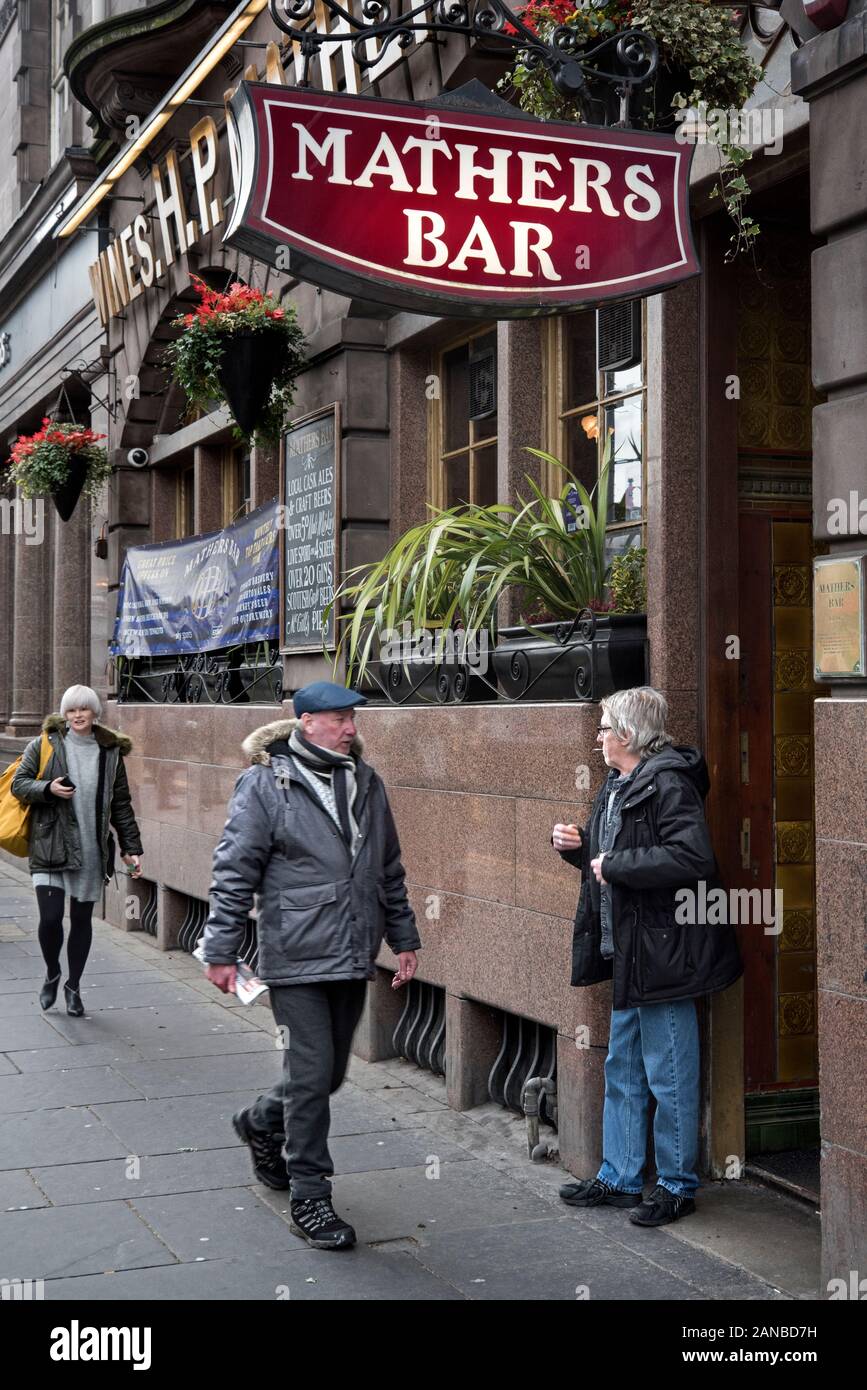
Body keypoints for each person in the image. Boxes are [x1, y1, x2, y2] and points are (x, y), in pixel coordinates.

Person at [202, 681, 421, 1251]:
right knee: (308, 1075)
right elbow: (234, 870)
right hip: (295, 952)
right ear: (306, 723)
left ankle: (259, 1122)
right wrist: (221, 949)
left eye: (352, 717)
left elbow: (388, 867)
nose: (351, 727)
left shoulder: (365, 781)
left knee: (327, 1076)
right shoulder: (265, 783)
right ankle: (311, 1196)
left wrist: (403, 936)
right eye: (339, 717)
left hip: (353, 950)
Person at [552, 686, 742, 1227]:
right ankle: (619, 1176)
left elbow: (691, 857)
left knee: (668, 1073)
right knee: (624, 1066)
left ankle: (678, 1186)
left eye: (604, 728)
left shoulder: (669, 782)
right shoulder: (617, 784)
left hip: (667, 953)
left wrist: (616, 864)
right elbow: (612, 858)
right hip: (632, 951)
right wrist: (580, 847)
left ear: (628, 736)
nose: (598, 737)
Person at [11, 685, 143, 1017]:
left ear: (95, 712)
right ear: (65, 714)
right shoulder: (45, 744)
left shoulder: (110, 751)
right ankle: (52, 972)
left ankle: (73, 987)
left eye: (84, 709)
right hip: (51, 844)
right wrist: (48, 788)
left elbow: (121, 805)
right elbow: (18, 784)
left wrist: (131, 848)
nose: (78, 715)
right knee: (51, 919)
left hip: (90, 848)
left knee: (81, 921)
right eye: (71, 710)